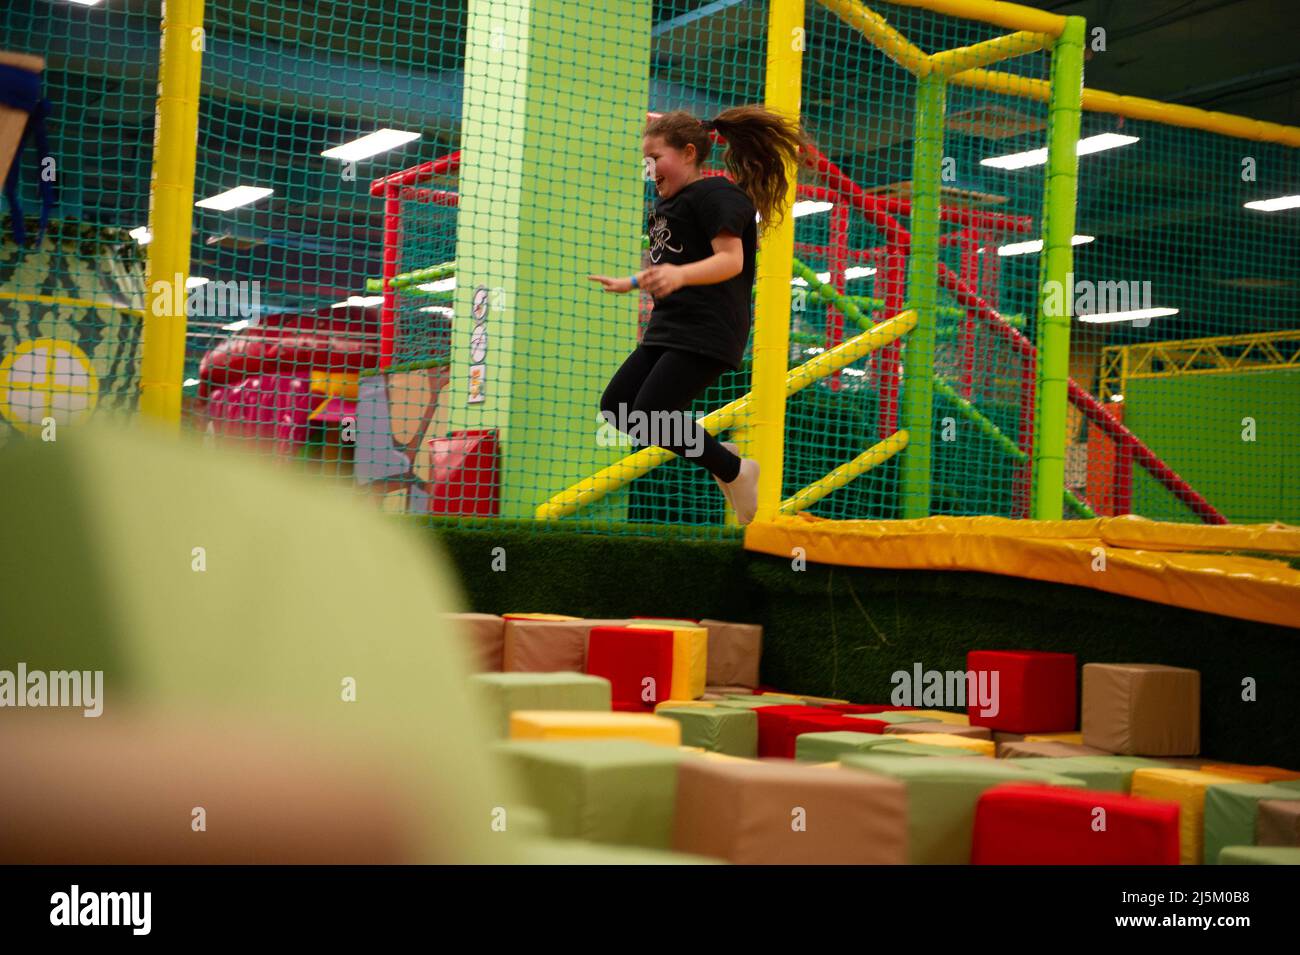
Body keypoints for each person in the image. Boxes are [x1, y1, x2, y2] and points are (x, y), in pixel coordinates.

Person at [589, 106, 810, 525]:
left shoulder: (717, 196)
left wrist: (678, 275)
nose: (650, 168)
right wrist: (633, 282)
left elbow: (730, 261)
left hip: (709, 327)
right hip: (668, 327)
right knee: (618, 407)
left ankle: (735, 469)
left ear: (689, 153)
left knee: (652, 411)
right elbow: (674, 261)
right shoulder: (667, 205)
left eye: (656, 158)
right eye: (646, 161)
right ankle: (725, 461)